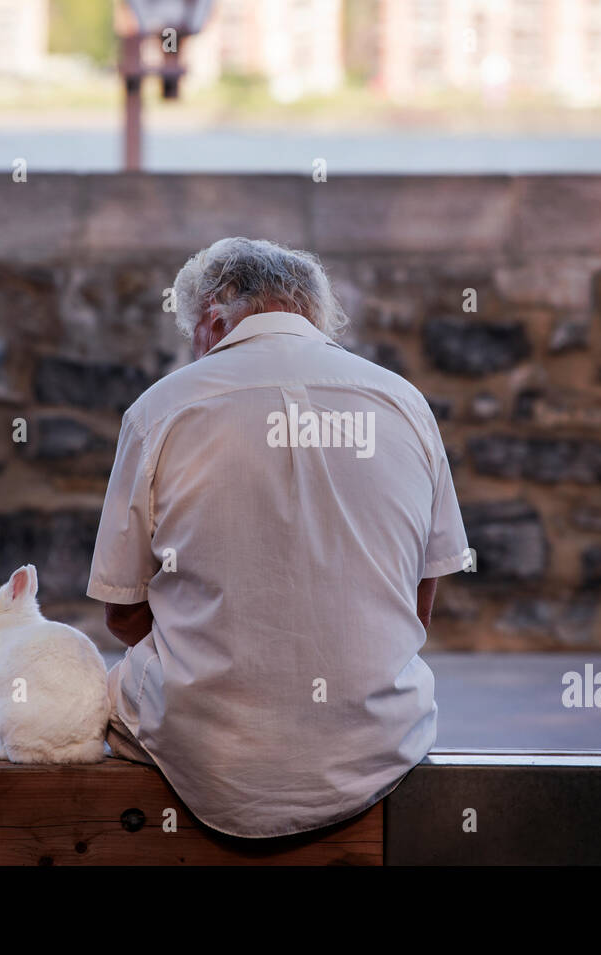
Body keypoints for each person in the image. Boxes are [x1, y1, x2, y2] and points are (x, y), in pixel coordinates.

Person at [88, 237, 469, 839]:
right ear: (311, 314)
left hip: (210, 763)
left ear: (212, 318)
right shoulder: (404, 403)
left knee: (88, 687)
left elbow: (123, 614)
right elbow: (419, 603)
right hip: (381, 743)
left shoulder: (160, 410)